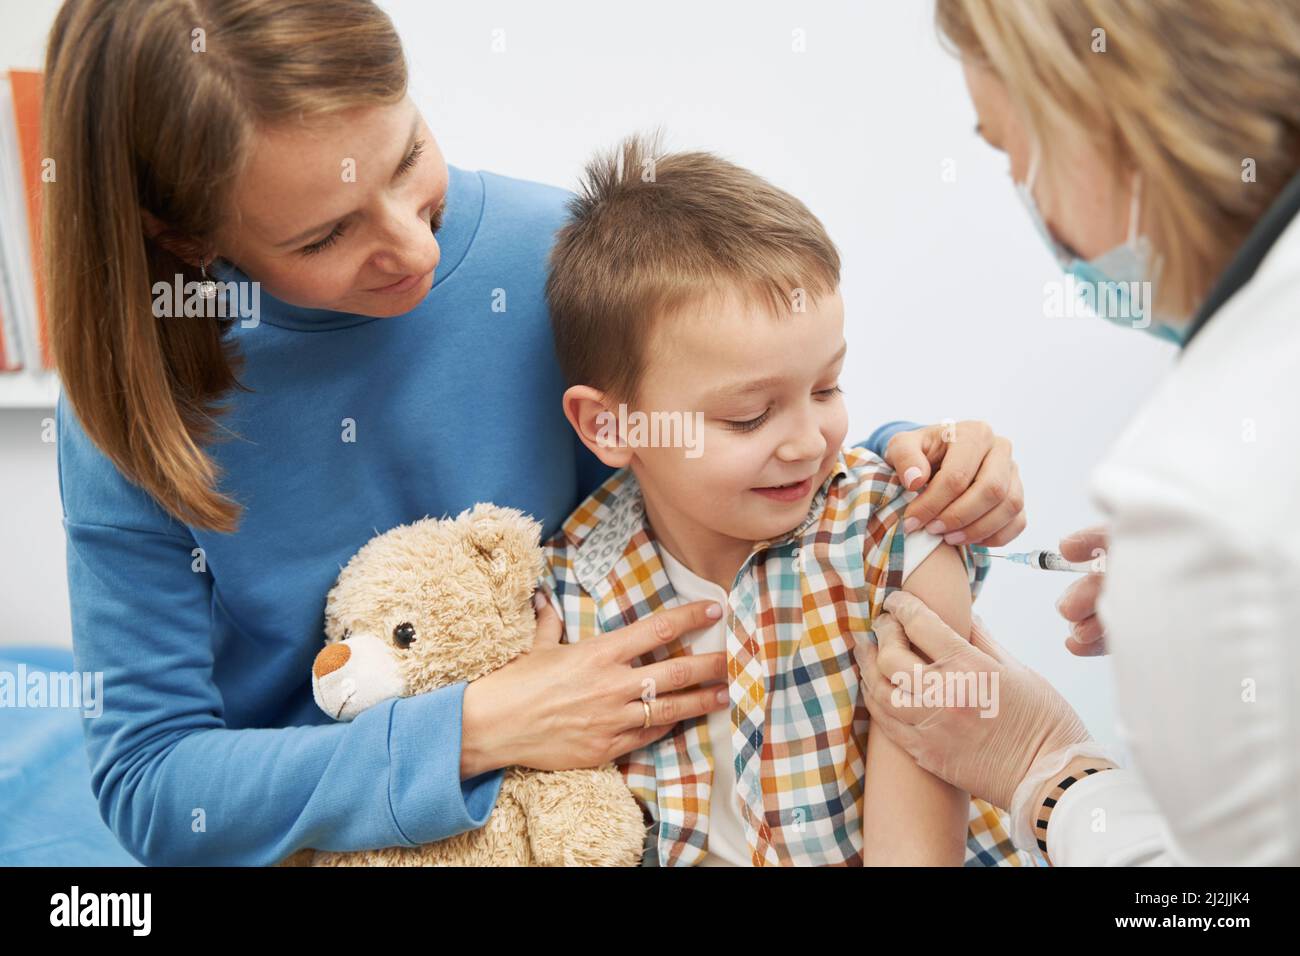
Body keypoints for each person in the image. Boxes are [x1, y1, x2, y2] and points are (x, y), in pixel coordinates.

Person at [44, 0, 1027, 865]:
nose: (413, 246)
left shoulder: (545, 251)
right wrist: (472, 729)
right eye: (326, 235)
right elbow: (154, 783)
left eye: (408, 157)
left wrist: (915, 455)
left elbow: (738, 413)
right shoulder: (129, 406)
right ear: (181, 235)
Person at [856, 0, 1300, 866]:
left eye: (1007, 145)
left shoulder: (1199, 482)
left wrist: (1045, 771)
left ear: (1095, 116)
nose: (1025, 189)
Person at [539, 136, 1032, 866]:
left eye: (827, 388)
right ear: (610, 426)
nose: (807, 441)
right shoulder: (570, 590)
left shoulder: (897, 538)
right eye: (748, 417)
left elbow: (918, 851)